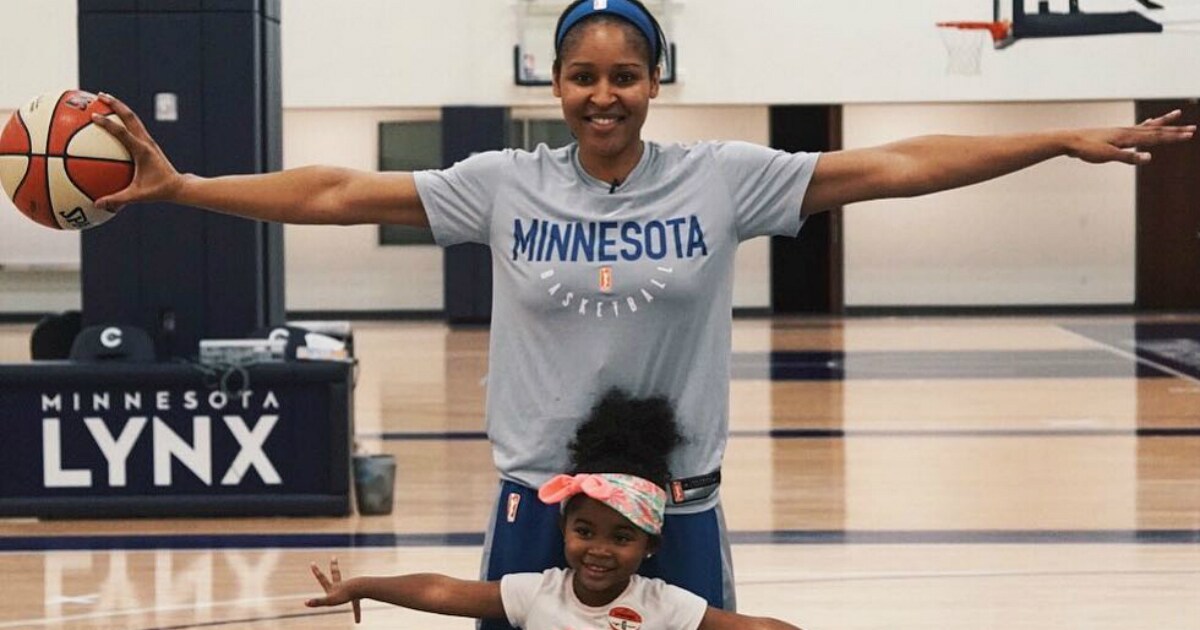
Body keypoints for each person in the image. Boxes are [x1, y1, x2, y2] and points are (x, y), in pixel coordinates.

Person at [90, 0, 1195, 621]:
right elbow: (334, 193)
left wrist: (1054, 135)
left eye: (624, 74)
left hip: (679, 506)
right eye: (581, 75)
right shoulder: (505, 183)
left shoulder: (722, 177)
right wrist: (185, 188)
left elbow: (897, 163)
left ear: (655, 80)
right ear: (555, 83)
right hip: (539, 506)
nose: (602, 94)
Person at [305, 388, 803, 630]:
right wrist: (364, 586)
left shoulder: (664, 604)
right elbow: (443, 591)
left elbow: (755, 628)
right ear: (564, 527)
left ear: (650, 545)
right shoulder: (537, 592)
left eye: (621, 537)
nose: (599, 550)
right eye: (586, 530)